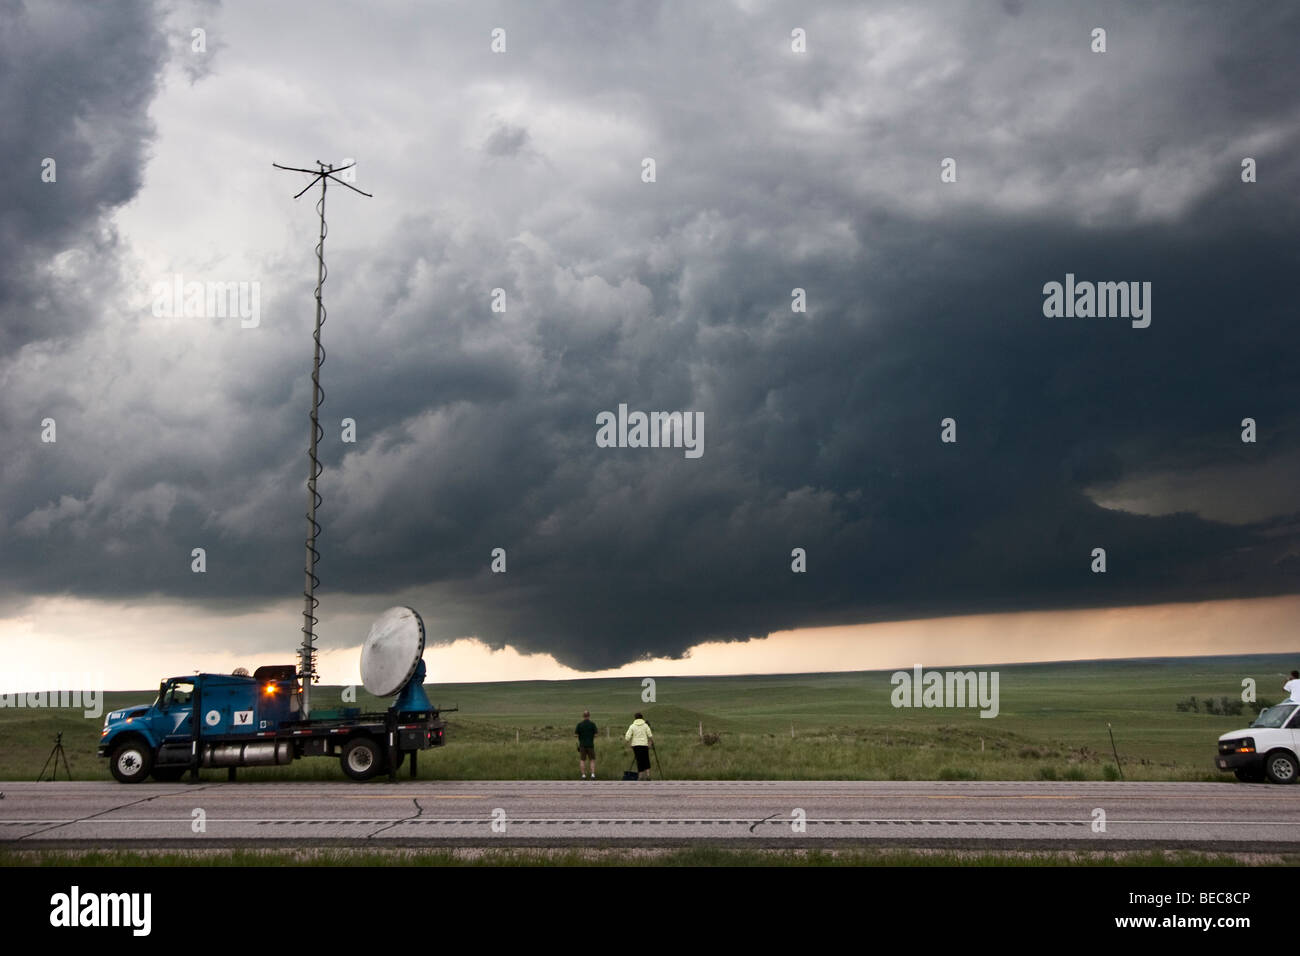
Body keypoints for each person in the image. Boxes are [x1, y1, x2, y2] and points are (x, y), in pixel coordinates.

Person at [624, 712, 654, 780]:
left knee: (639, 760)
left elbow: (627, 737)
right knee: (646, 759)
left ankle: (640, 776)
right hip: (644, 745)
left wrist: (629, 744)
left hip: (636, 745)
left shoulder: (632, 726)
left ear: (635, 718)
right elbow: (650, 735)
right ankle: (648, 775)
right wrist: (650, 743)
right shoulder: (645, 726)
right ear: (642, 718)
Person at [575, 710, 598, 779]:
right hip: (590, 745)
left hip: (582, 745)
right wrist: (591, 736)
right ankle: (592, 775)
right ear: (589, 716)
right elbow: (596, 734)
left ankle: (583, 775)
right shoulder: (592, 724)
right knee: (592, 760)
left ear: (583, 716)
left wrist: (581, 737)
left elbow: (575, 735)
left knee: (582, 760)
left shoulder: (579, 724)